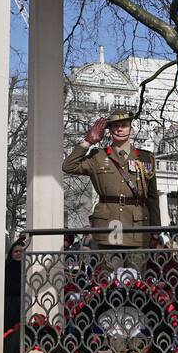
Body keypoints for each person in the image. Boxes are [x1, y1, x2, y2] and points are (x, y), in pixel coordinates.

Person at [61, 109, 161, 255]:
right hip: (107, 228)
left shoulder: (145, 158)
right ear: (110, 130)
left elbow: (152, 197)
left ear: (131, 129)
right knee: (108, 275)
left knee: (136, 275)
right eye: (115, 126)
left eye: (124, 125)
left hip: (137, 228)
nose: (120, 129)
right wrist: (88, 141)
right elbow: (68, 166)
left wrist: (155, 230)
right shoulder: (98, 156)